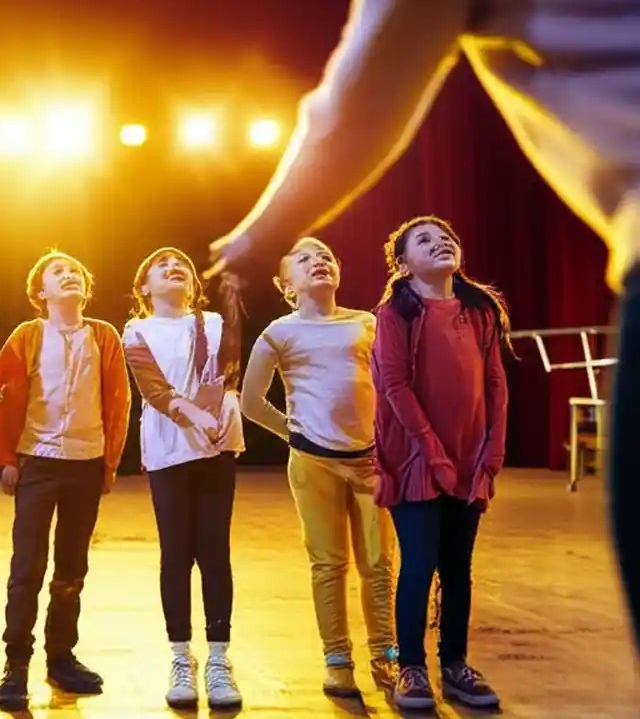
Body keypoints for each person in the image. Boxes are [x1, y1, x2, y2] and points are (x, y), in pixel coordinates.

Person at [203, 0, 640, 649]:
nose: (319, 260)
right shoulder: (338, 325)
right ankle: (384, 659)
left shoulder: (428, 317)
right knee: (360, 563)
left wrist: (256, 240)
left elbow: (359, 102)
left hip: (430, 459)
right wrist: (306, 433)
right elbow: (341, 392)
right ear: (399, 265)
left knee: (420, 566)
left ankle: (417, 656)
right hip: (373, 460)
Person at [240, 237, 397, 696]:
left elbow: (390, 384)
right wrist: (296, 433)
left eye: (327, 255)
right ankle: (338, 661)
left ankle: (385, 656)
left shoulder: (367, 323)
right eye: (305, 260)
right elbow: (251, 402)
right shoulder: (279, 332)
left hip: (370, 461)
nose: (320, 261)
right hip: (314, 462)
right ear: (286, 284)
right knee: (328, 564)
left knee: (379, 562)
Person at [0, 251, 132, 710]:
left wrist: (107, 464)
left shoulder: (103, 336)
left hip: (85, 463)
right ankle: (16, 663)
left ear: (86, 288)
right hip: (37, 462)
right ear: (40, 293)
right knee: (26, 567)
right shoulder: (29, 335)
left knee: (71, 568)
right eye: (57, 272)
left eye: (76, 272)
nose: (69, 276)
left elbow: (119, 402)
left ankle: (61, 656)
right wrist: (5, 456)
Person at [371, 217, 510, 711]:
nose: (440, 242)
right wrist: (432, 451)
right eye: (424, 240)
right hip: (415, 458)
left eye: (447, 235)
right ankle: (410, 666)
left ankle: (455, 664)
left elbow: (496, 386)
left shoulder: (480, 310)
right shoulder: (396, 314)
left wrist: (489, 456)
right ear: (403, 263)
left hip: (469, 458)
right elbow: (394, 385)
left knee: (458, 568)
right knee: (420, 563)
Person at [122, 247, 245, 710]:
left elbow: (226, 370)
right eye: (161, 265)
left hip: (216, 446)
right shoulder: (137, 331)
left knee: (215, 550)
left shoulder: (213, 323)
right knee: (176, 553)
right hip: (170, 451)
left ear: (193, 285)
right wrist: (192, 413)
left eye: (183, 266)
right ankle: (180, 656)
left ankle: (217, 659)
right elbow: (154, 388)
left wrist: (212, 416)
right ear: (144, 288)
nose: (174, 267)